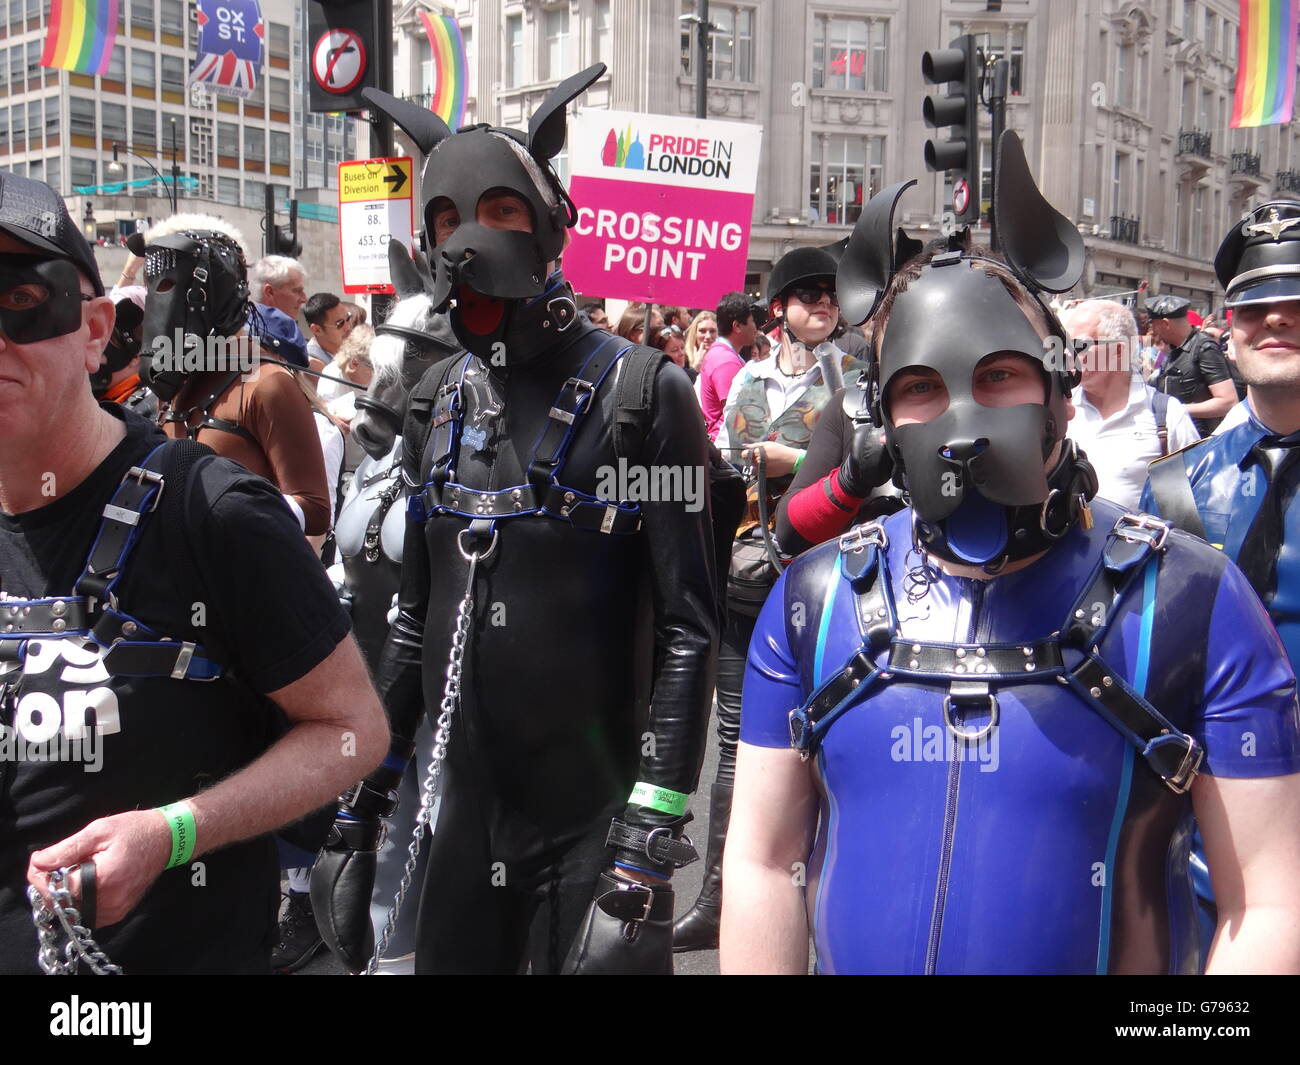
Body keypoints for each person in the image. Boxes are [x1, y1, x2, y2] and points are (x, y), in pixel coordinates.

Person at [722, 144, 1300, 976]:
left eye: (999, 375)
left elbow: (1266, 903)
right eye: (921, 386)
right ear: (881, 415)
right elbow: (763, 860)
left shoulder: (1191, 602)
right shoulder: (815, 603)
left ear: (1059, 389)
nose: (962, 422)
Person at [311, 66, 718, 976]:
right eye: (446, 218)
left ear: (546, 224)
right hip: (468, 820)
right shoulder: (436, 402)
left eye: (498, 208)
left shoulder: (648, 395)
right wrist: (362, 799)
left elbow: (690, 624)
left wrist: (649, 832)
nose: (467, 239)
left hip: (601, 830)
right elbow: (415, 621)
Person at [0, 172, 388, 975]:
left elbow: (352, 729)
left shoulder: (216, 497)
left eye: (21, 298)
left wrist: (173, 833)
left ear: (96, 327)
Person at [674, 246, 862, 952]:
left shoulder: (856, 382)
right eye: (806, 294)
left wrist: (788, 461)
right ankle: (721, 899)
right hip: (746, 578)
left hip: (829, 581)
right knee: (740, 741)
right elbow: (720, 466)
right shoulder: (746, 379)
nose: (821, 304)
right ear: (778, 308)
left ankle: (833, 914)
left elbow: (864, 475)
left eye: (829, 295)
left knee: (834, 743)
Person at [135, 216, 333, 537]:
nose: (157, 307)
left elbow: (315, 509)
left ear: (213, 292)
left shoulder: (267, 384)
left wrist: (218, 504)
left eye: (171, 290)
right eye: (152, 290)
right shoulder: (171, 383)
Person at [1062, 299, 1199, 510]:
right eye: (1063, 344)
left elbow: (1196, 497)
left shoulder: (1166, 414)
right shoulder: (1060, 407)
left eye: (1079, 345)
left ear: (1118, 351)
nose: (1067, 354)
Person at [1148, 294, 1238, 434]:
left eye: (1154, 325)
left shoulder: (1204, 348)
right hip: (1179, 439)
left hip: (1199, 442)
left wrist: (1175, 409)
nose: (1153, 332)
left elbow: (1228, 402)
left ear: (1165, 324)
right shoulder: (1174, 350)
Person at [695, 292, 758, 441]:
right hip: (728, 449)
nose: (756, 327)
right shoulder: (726, 361)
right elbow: (739, 414)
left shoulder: (723, 354)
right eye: (752, 321)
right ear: (737, 326)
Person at [304, 292, 355, 370]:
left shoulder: (349, 349)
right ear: (317, 330)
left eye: (348, 318)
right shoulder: (313, 363)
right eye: (340, 323)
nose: (347, 326)